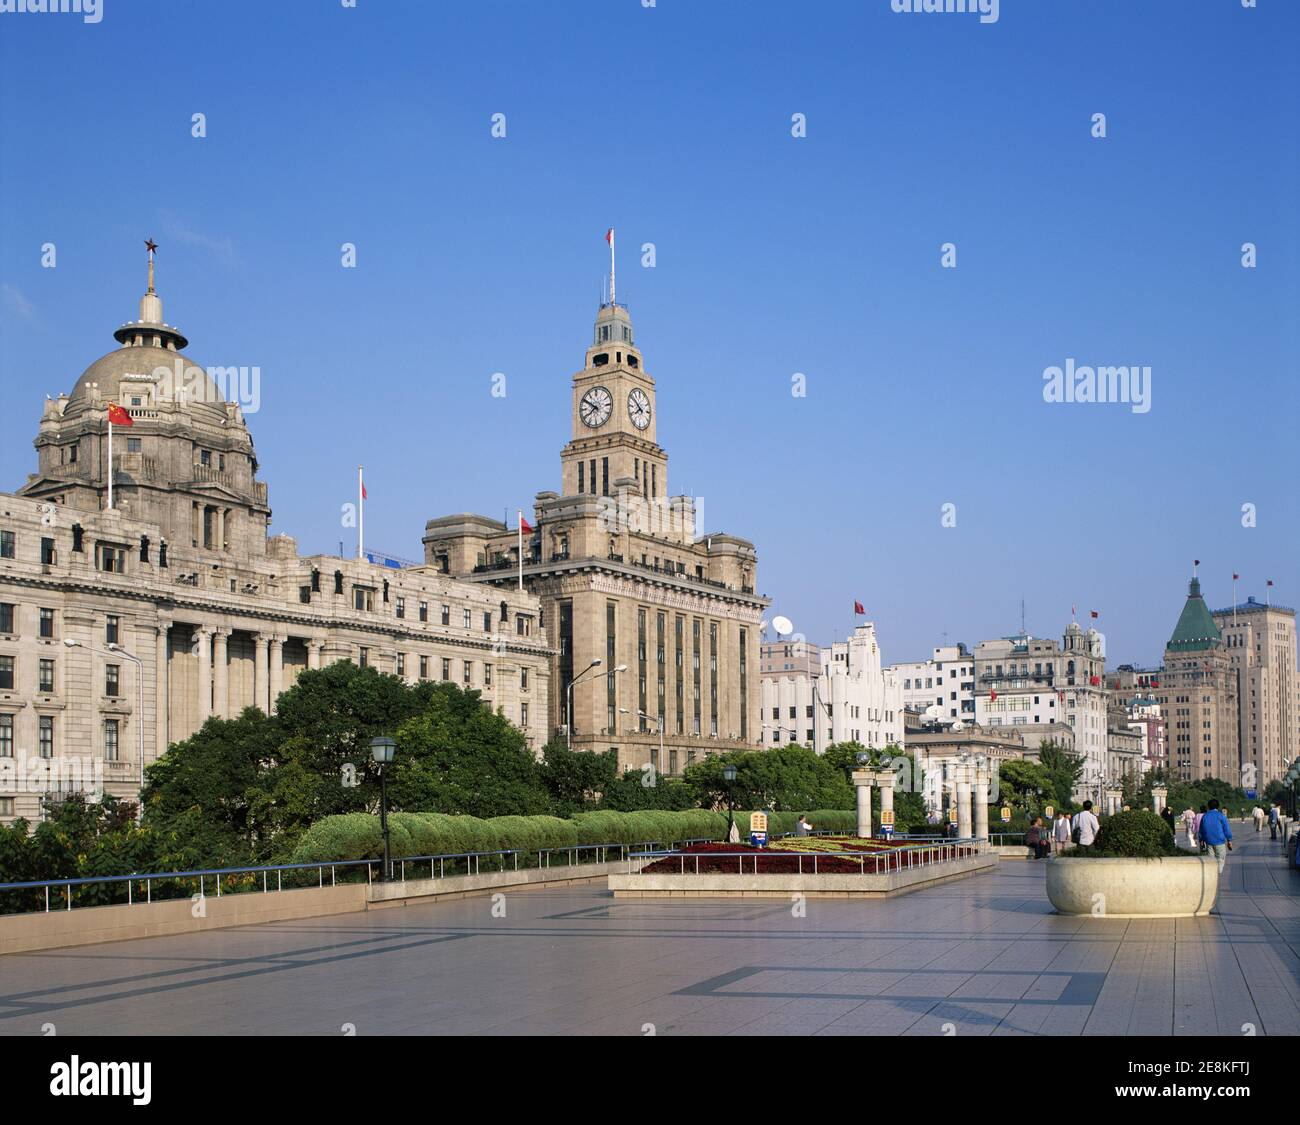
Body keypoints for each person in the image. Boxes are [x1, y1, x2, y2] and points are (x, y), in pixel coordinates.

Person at [1198, 798, 1233, 875]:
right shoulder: (1221, 816)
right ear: (1218, 806)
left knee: (1210, 859)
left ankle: (1212, 873)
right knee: (1220, 859)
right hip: (1219, 841)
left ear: (1208, 806)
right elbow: (1226, 829)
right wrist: (1229, 840)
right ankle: (1217, 873)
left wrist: (1201, 840)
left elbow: (1201, 829)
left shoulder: (1205, 816)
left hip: (1208, 842)